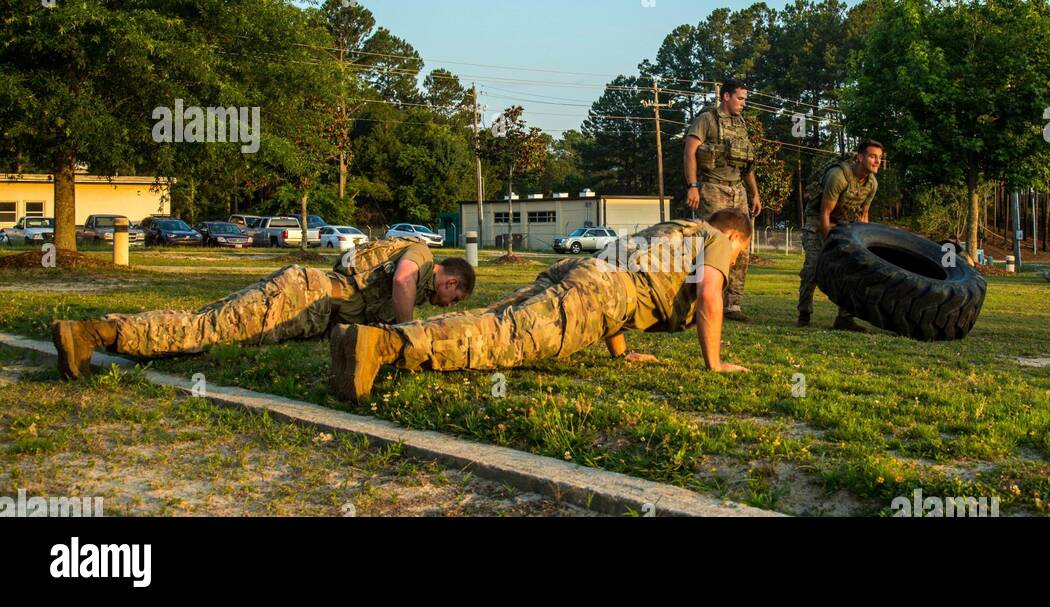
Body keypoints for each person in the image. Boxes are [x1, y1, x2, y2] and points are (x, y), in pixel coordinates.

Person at [328, 210, 755, 402]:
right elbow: (710, 297)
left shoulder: (673, 228)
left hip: (583, 271)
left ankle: (363, 339)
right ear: (734, 238)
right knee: (504, 336)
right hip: (603, 291)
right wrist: (713, 363)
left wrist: (621, 351)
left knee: (491, 318)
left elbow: (627, 275)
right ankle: (379, 347)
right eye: (740, 255)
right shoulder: (715, 239)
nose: (734, 261)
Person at [53, 238, 474, 380]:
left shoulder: (413, 282)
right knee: (205, 330)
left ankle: (99, 334)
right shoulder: (419, 255)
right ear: (450, 280)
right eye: (450, 299)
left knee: (206, 330)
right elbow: (402, 280)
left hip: (302, 303)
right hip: (301, 298)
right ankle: (93, 334)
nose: (442, 304)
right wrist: (407, 332)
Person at [683, 78, 761, 322]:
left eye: (745, 99)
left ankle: (733, 305)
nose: (743, 103)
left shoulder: (741, 125)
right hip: (712, 188)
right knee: (711, 245)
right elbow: (690, 151)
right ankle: (702, 299)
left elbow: (746, 164)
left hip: (737, 190)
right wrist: (693, 186)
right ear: (726, 96)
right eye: (740, 98)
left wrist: (754, 193)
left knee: (742, 247)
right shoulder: (707, 120)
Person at [796, 140, 882, 332]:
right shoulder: (839, 176)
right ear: (860, 157)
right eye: (872, 156)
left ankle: (844, 319)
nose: (877, 162)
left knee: (851, 270)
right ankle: (804, 314)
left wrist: (862, 243)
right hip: (818, 222)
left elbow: (864, 214)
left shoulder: (872, 184)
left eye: (879, 158)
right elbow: (824, 213)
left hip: (844, 224)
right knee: (814, 267)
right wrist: (829, 245)